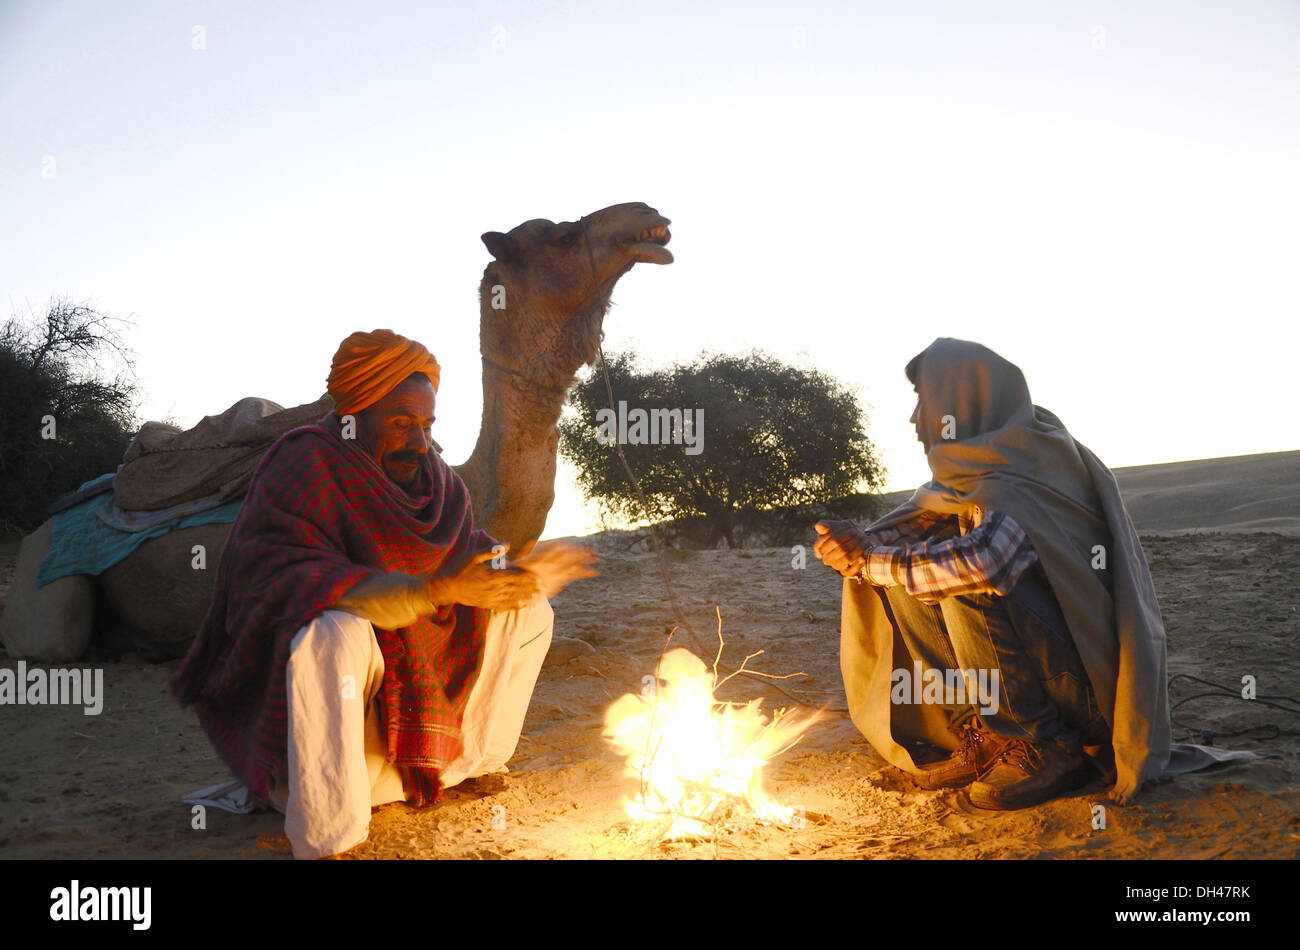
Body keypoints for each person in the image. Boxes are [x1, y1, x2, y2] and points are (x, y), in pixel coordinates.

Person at [170, 329, 596, 857]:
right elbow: (301, 581)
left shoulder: (437, 484)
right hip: (312, 756)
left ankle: (470, 766)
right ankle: (331, 834)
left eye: (426, 424)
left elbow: (470, 553)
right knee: (331, 630)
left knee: (526, 608)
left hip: (401, 750)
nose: (420, 441)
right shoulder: (303, 464)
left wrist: (520, 569)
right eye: (401, 423)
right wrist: (436, 589)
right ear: (355, 414)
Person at [815, 338, 1257, 810]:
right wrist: (859, 551)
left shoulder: (1026, 469)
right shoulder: (976, 473)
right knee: (907, 572)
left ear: (960, 403)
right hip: (1044, 679)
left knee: (964, 579)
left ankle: (1041, 746)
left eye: (925, 399)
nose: (915, 418)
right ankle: (987, 734)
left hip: (1092, 700)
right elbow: (901, 551)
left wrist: (869, 558)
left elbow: (986, 563)